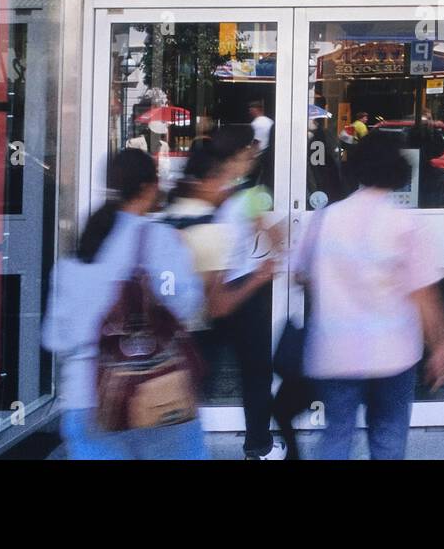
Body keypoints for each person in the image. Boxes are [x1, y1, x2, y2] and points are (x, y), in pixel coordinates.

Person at [297, 131, 444, 460]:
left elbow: (303, 277)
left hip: (334, 351)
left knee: (336, 436)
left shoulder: (323, 219)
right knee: (387, 438)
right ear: (399, 170)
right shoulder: (406, 225)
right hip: (392, 354)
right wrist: (442, 343)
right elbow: (424, 295)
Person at [42, 148, 207, 459]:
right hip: (153, 395)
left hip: (84, 400)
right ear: (148, 187)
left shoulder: (79, 250)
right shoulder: (158, 240)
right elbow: (184, 303)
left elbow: (55, 337)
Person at [165, 134, 284, 460]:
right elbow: (274, 235)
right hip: (239, 291)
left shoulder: (210, 197)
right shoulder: (242, 195)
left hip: (209, 293)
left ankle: (183, 442)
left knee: (203, 373)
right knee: (254, 373)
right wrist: (269, 258)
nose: (250, 162)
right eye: (246, 155)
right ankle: (258, 447)